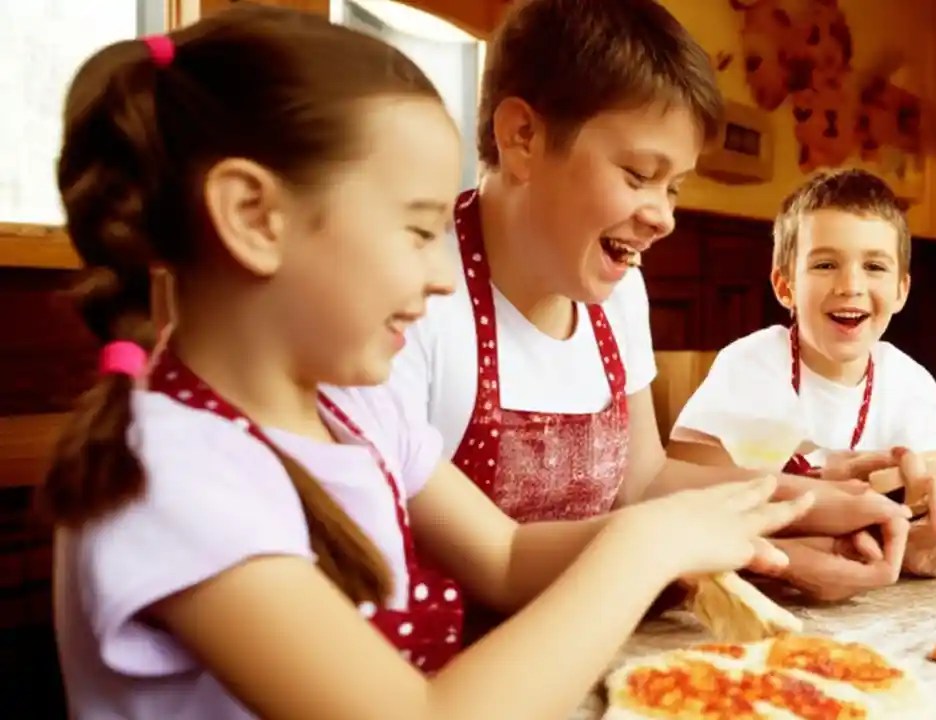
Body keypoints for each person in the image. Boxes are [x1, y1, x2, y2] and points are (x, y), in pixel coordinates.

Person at [41, 8, 852, 718]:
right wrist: (645, 549)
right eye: (415, 227)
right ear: (255, 216)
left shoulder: (353, 410)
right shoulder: (170, 478)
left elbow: (501, 557)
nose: (439, 274)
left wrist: (748, 519)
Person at [389, 0, 936, 606]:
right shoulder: (409, 300)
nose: (664, 218)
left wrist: (828, 505)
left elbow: (644, 480)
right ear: (522, 137)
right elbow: (497, 560)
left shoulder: (617, 290)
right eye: (638, 175)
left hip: (604, 625)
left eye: (675, 186)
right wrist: (772, 545)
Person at [667, 169, 936, 593]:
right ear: (784, 285)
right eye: (825, 264)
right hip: (758, 580)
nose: (851, 286)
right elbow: (681, 483)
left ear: (901, 291)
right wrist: (819, 485)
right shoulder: (749, 366)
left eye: (874, 266)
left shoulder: (909, 381)